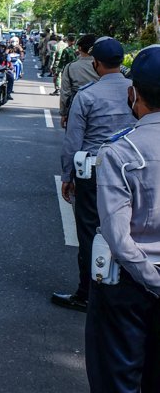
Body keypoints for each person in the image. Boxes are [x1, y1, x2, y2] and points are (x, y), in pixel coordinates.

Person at [86, 44, 160, 393]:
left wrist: (153, 279)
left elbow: (118, 237)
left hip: (128, 289)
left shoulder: (120, 152)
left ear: (134, 94)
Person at [54, 36, 134, 312]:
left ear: (96, 63)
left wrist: (67, 176)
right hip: (130, 173)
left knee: (89, 232)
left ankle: (87, 293)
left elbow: (73, 140)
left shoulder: (87, 95)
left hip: (93, 173)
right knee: (128, 230)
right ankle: (126, 290)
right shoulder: (135, 91)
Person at [59, 34, 98, 128]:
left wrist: (64, 113)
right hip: (101, 108)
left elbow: (65, 93)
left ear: (79, 48)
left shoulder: (71, 67)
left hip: (77, 109)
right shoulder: (104, 66)